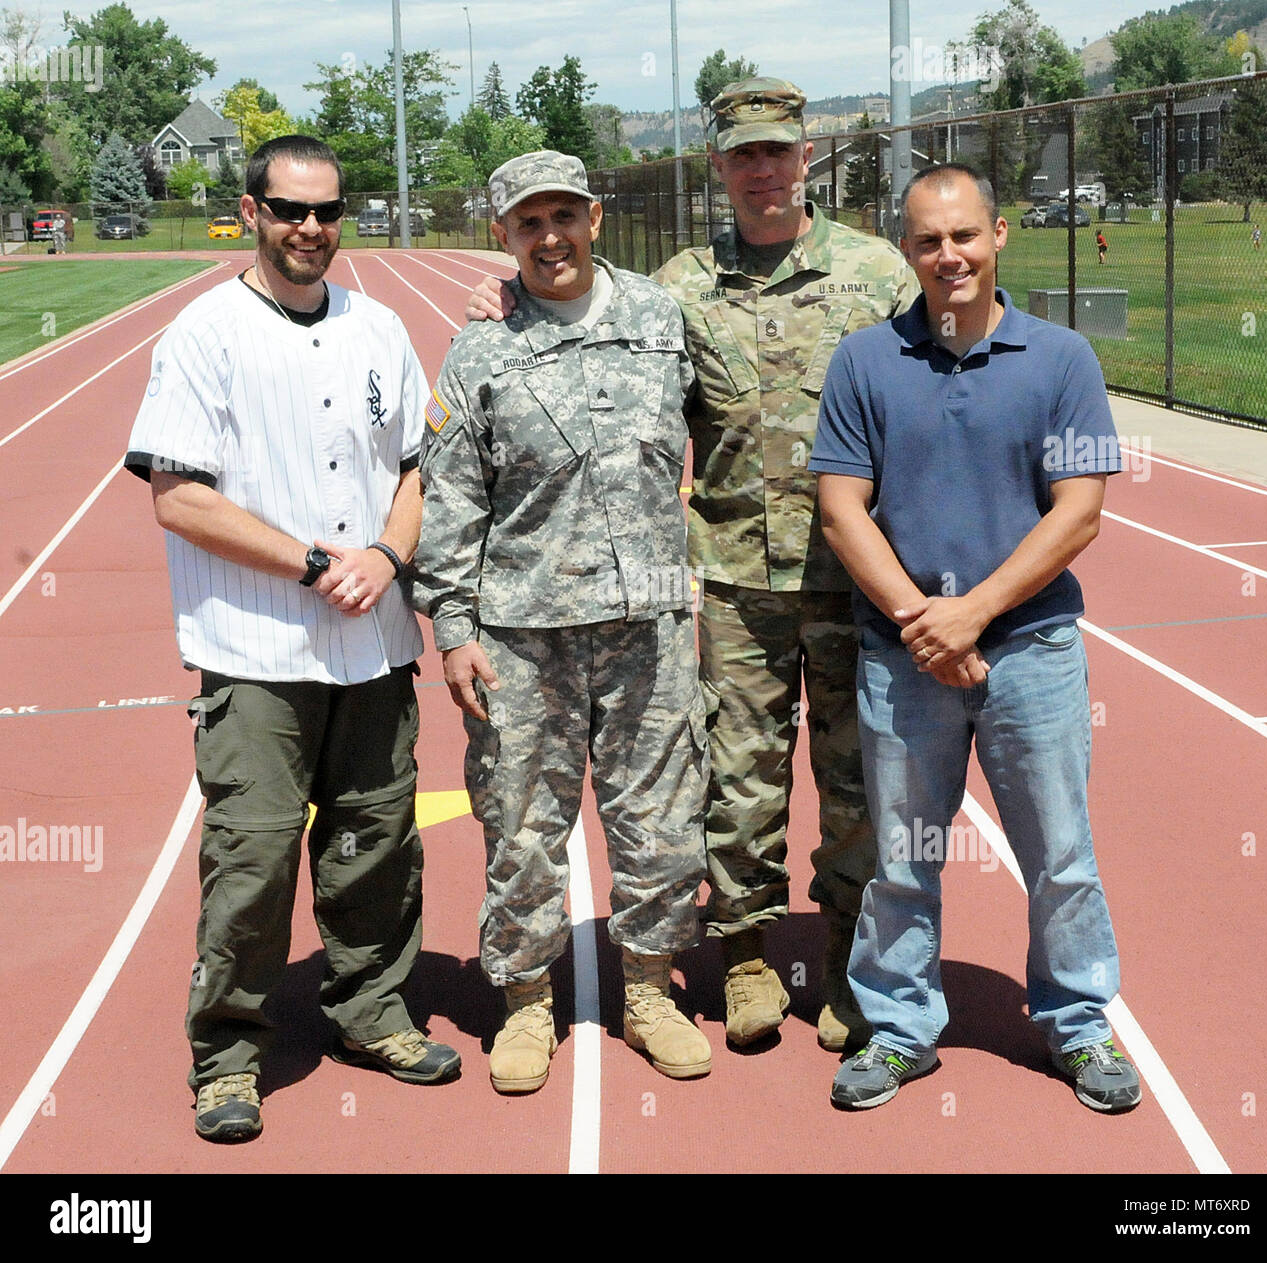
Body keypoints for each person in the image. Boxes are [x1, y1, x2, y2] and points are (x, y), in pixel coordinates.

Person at [467, 79, 919, 1054]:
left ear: (807, 158)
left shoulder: (880, 276)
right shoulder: (677, 290)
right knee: (736, 785)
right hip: (728, 583)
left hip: (854, 579)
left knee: (854, 785)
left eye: (779, 152)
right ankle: (747, 956)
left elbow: (932, 395)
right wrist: (511, 302)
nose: (762, 171)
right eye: (742, 155)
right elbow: (583, 328)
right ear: (717, 167)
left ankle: (843, 962)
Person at [125, 135, 460, 1144]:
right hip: (256, 650)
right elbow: (179, 497)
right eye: (288, 211)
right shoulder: (203, 333)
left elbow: (414, 467)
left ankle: (371, 1012)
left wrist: (388, 561)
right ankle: (228, 1056)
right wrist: (317, 564)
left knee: (374, 846)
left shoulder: (380, 325)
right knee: (255, 856)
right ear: (251, 211)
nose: (310, 229)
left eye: (326, 211)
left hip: (373, 647)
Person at [810, 163, 1142, 1115]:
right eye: (927, 240)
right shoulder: (865, 362)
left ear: (998, 234)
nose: (947, 255)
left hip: (1032, 651)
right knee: (904, 855)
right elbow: (841, 509)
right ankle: (902, 1025)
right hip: (905, 658)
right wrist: (927, 626)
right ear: (905, 248)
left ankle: (1078, 1024)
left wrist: (973, 613)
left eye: (964, 236)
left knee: (1061, 853)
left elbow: (1078, 511)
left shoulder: (1063, 359)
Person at [409, 150, 711, 1093]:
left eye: (564, 218)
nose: (551, 239)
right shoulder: (482, 348)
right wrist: (452, 625)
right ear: (503, 236)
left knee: (661, 821)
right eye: (528, 224)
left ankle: (652, 990)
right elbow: (452, 494)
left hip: (649, 625)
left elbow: (730, 432)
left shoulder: (663, 320)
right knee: (522, 826)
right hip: (521, 636)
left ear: (596, 219)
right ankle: (528, 1001)